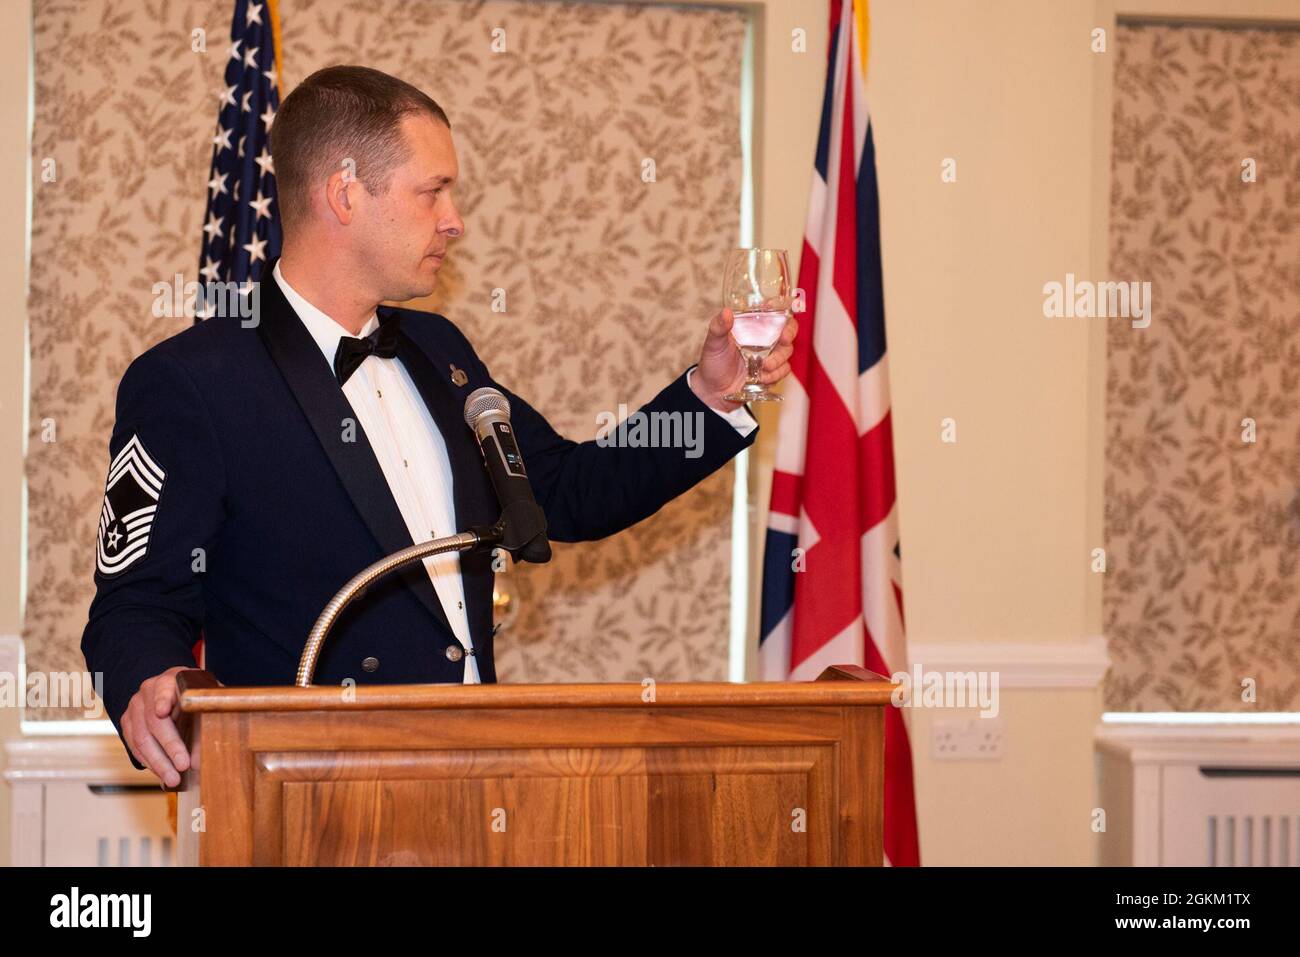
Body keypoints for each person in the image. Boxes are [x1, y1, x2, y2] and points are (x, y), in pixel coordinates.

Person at [82, 65, 796, 787]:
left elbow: (566, 490)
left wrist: (710, 394)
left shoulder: (441, 352)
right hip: (306, 798)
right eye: (433, 192)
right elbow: (134, 605)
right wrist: (153, 683)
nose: (454, 219)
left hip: (474, 782)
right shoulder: (195, 381)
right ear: (346, 193)